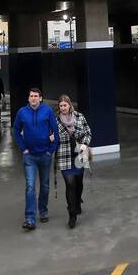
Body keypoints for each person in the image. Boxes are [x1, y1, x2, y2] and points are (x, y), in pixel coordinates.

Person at [12, 88, 56, 230]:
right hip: (29, 156)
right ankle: (30, 218)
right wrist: (23, 149)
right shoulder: (22, 112)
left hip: (45, 155)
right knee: (30, 186)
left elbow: (55, 132)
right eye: (31, 96)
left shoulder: (48, 111)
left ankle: (43, 211)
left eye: (36, 96)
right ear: (28, 98)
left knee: (45, 185)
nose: (33, 98)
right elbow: (16, 131)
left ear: (41, 98)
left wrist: (50, 151)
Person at [55, 95, 92, 228]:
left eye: (65, 105)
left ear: (70, 105)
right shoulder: (56, 121)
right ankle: (72, 214)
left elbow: (88, 132)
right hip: (64, 156)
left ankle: (77, 202)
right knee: (70, 184)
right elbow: (51, 136)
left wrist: (85, 144)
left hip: (79, 155)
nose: (63, 108)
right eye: (61, 106)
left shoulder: (79, 117)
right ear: (58, 108)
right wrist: (51, 138)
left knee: (78, 182)